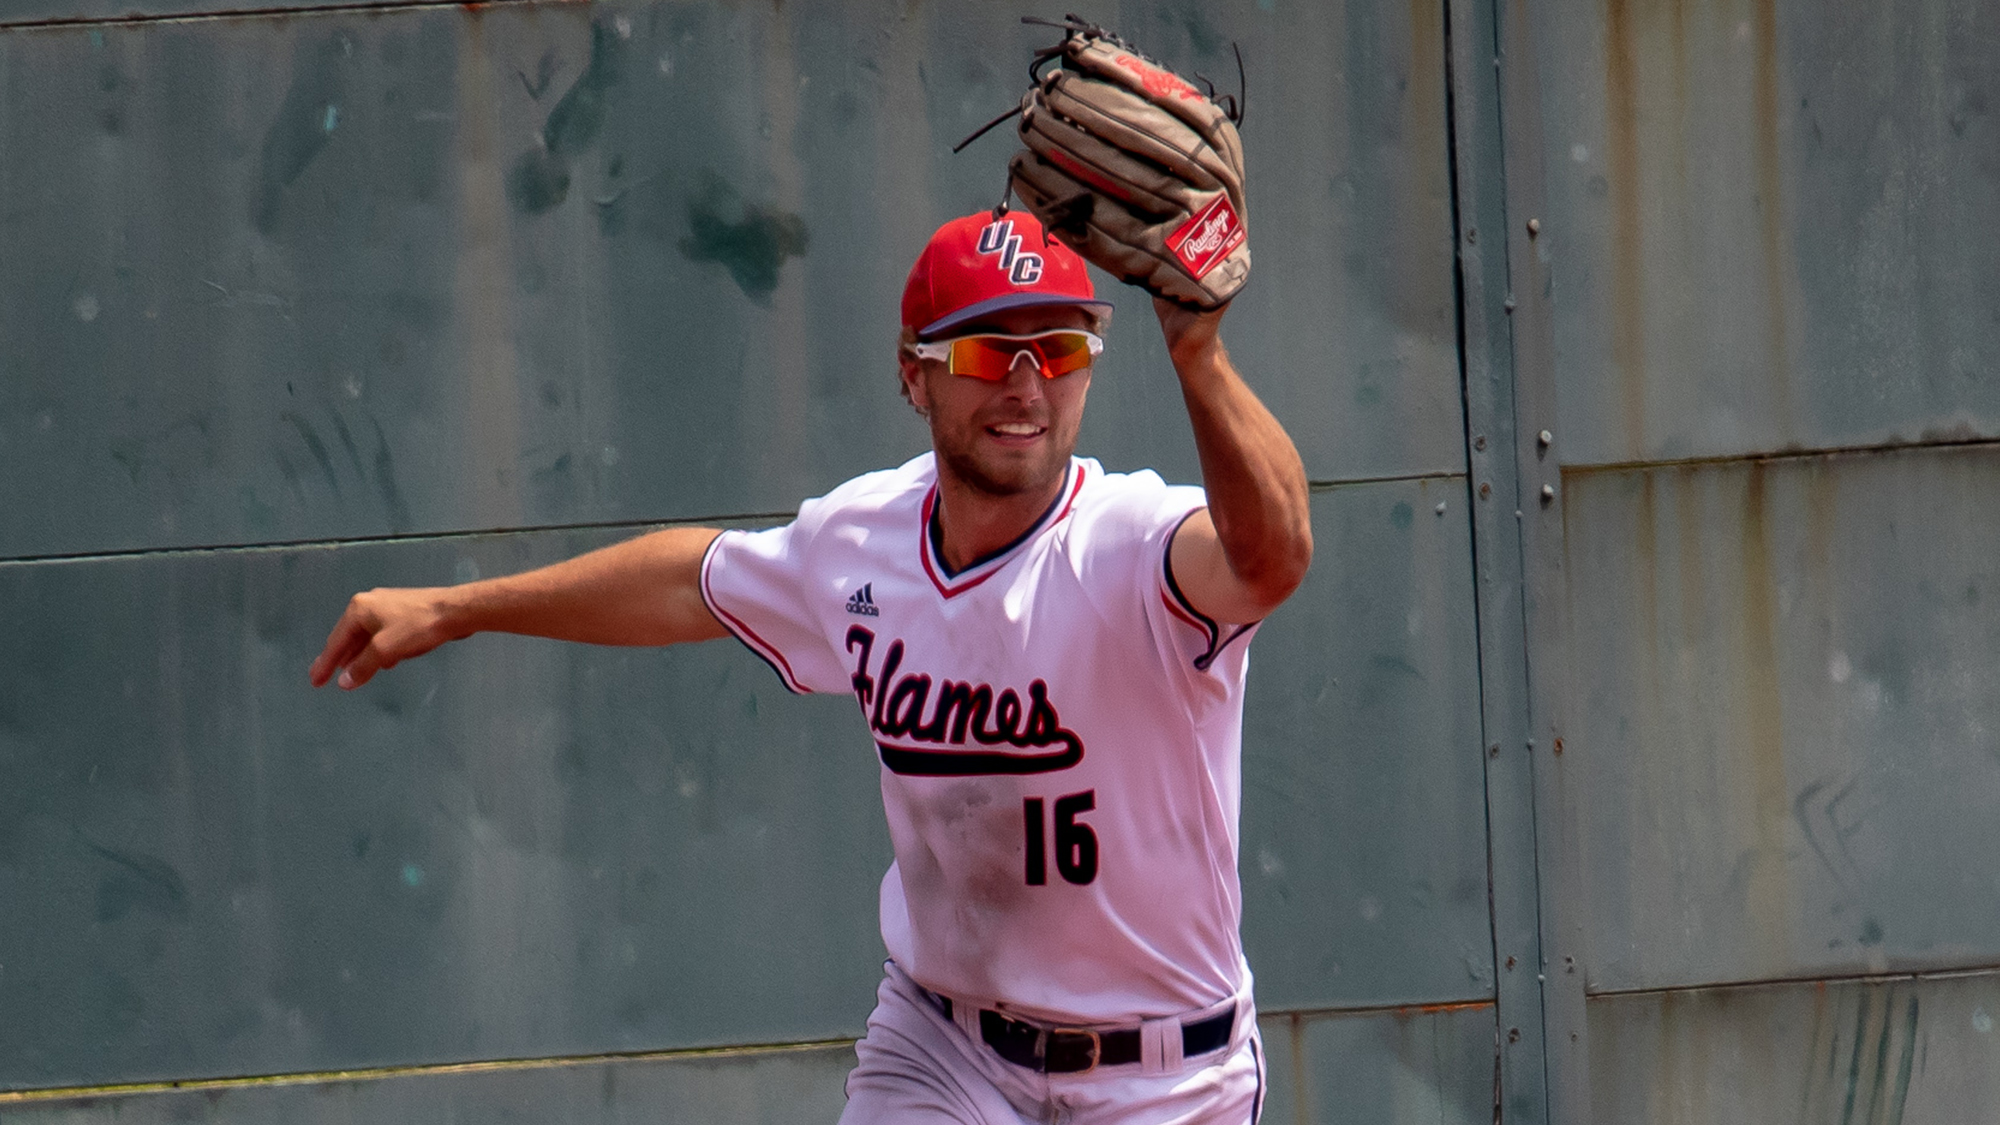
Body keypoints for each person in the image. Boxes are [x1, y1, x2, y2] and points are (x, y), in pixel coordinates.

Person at [310, 208, 1311, 1123]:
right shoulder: (859, 544)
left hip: (1163, 1080)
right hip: (944, 1049)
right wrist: (455, 608)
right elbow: (687, 581)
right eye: (984, 349)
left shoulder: (1131, 543)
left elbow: (1268, 559)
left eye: (1056, 349)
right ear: (912, 374)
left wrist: (1198, 353)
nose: (1024, 383)